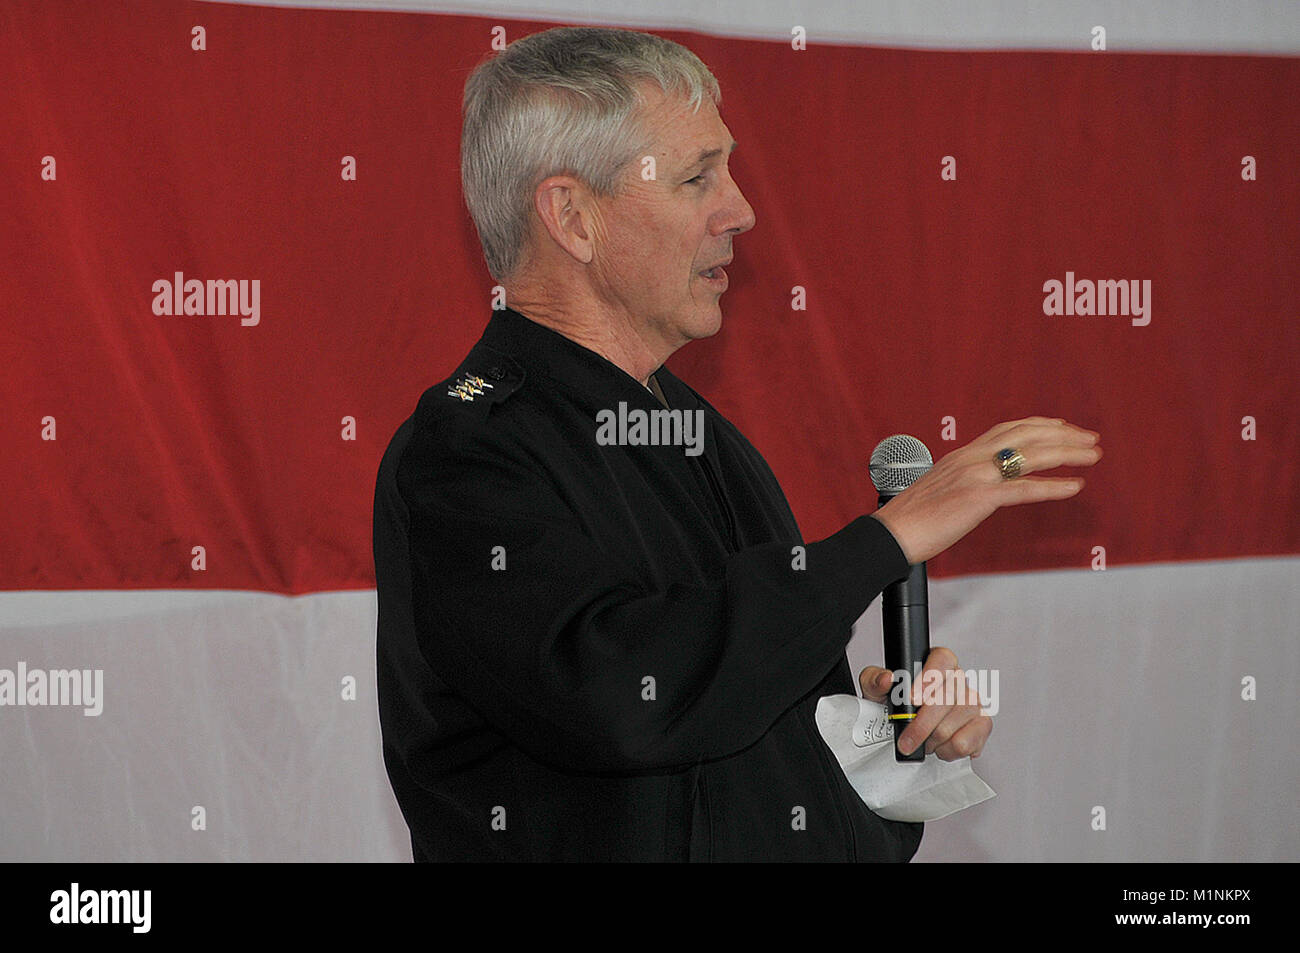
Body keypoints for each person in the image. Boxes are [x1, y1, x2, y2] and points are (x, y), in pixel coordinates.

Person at [373, 26, 1102, 862]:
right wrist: (885, 540)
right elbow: (622, 700)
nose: (742, 209)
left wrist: (892, 742)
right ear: (572, 217)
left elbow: (726, 754)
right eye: (696, 178)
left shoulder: (699, 434)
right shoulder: (468, 453)